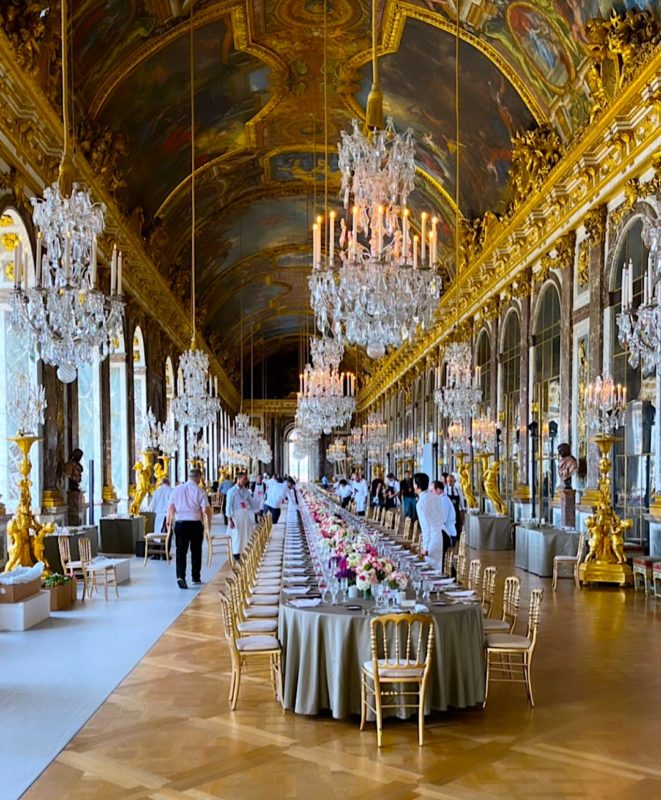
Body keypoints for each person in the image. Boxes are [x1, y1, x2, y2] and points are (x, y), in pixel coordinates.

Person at [167, 468, 211, 589]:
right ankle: (195, 577)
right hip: (195, 523)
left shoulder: (176, 490)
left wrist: (168, 522)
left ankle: (180, 576)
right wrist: (208, 525)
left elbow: (171, 508)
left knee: (181, 551)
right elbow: (205, 510)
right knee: (196, 551)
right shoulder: (200, 491)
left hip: (180, 523)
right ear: (198, 478)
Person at [414, 472, 451, 570]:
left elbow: (426, 527)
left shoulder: (421, 503)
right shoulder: (435, 496)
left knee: (433, 569)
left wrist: (425, 548)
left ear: (417, 486)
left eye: (414, 484)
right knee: (442, 567)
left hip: (434, 538)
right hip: (444, 534)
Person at [226, 472, 256, 561]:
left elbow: (252, 502)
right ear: (238, 479)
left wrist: (258, 514)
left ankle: (246, 551)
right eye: (243, 479)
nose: (245, 481)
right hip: (236, 515)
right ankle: (236, 553)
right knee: (238, 535)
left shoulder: (246, 491)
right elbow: (228, 506)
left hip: (245, 514)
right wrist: (230, 519)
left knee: (247, 533)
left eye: (246, 479)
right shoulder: (231, 491)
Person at [432, 480, 457, 546]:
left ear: (438, 490)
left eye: (432, 491)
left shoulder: (444, 501)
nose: (431, 494)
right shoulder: (440, 500)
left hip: (448, 535)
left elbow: (442, 520)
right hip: (443, 534)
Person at [444, 473, 465, 540]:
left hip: (456, 514)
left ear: (454, 481)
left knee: (457, 531)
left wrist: (462, 516)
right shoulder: (445, 491)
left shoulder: (458, 491)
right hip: (447, 515)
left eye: (451, 481)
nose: (449, 483)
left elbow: (462, 504)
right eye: (448, 481)